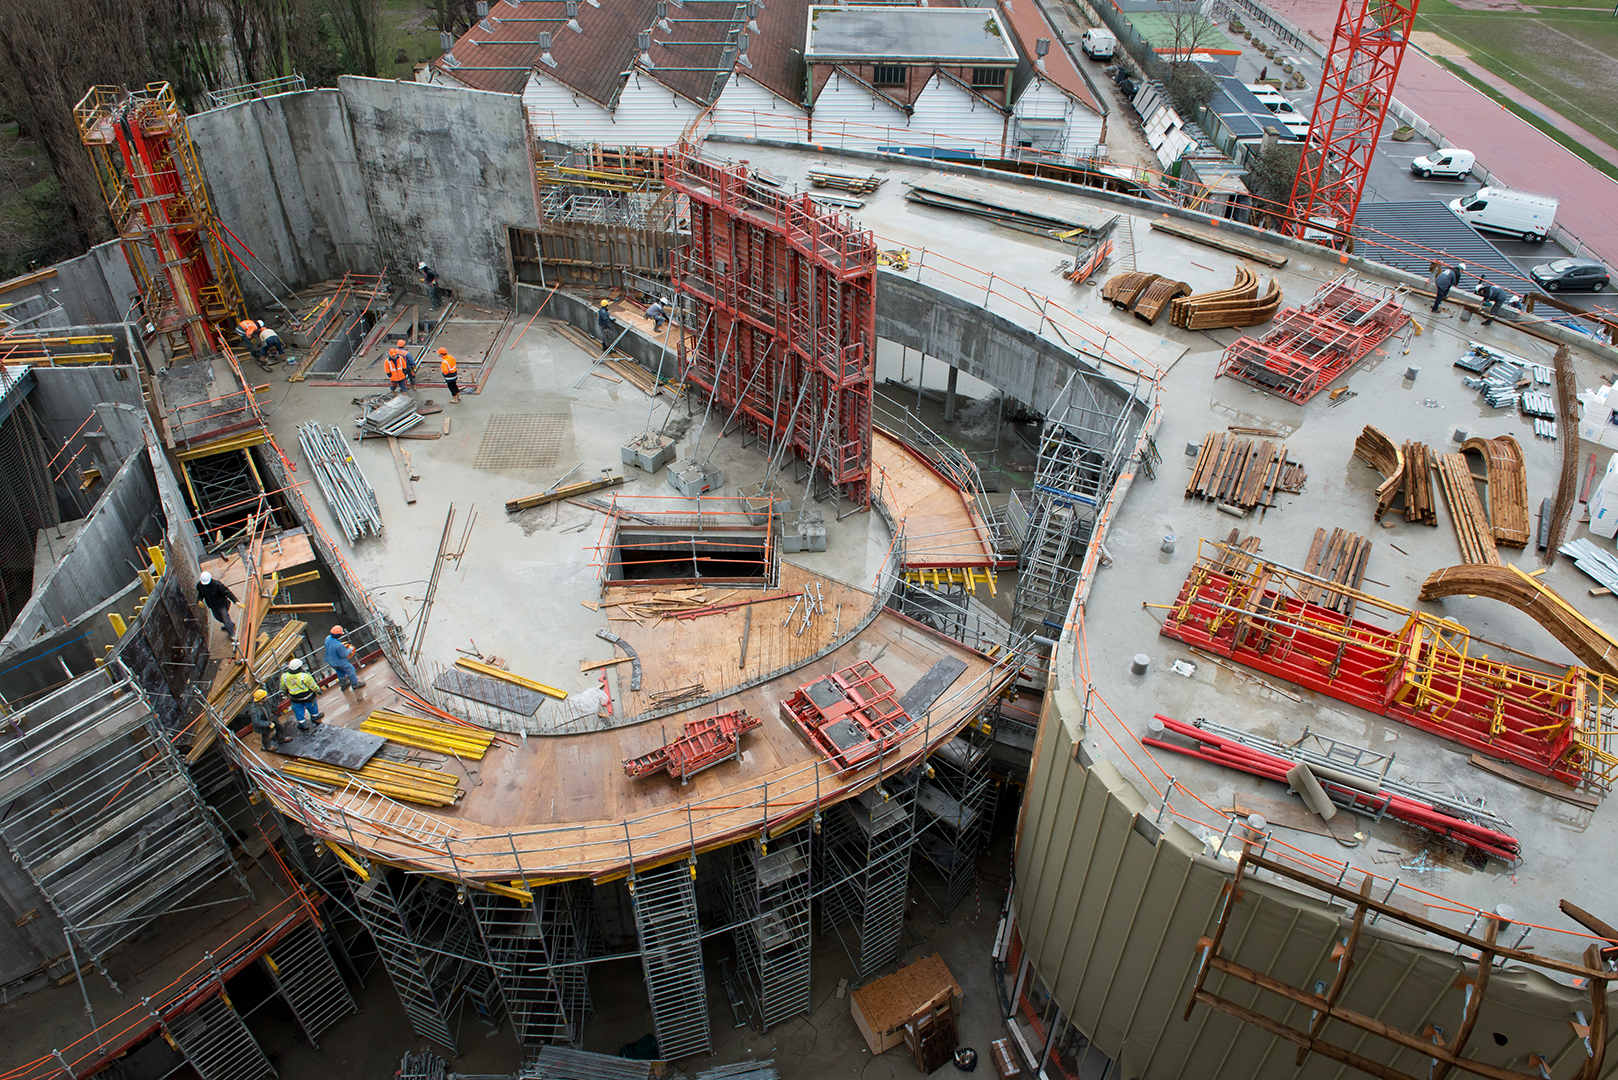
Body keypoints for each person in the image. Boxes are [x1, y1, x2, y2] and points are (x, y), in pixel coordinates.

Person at [280, 658, 324, 731]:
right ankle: (315, 716)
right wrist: (318, 691)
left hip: (295, 698)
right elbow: (312, 685)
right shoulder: (304, 675)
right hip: (308, 696)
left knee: (298, 711)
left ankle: (302, 724)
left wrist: (285, 693)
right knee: (312, 706)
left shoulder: (284, 676)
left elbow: (283, 687)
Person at [324, 625, 366, 690]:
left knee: (340, 672)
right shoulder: (338, 645)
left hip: (331, 661)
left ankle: (343, 685)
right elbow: (344, 654)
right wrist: (350, 649)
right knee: (351, 670)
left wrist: (342, 646)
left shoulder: (327, 638)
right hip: (340, 662)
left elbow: (330, 646)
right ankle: (355, 684)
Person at [196, 571, 237, 636]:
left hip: (221, 605)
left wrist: (236, 601)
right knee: (218, 617)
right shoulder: (200, 585)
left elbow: (228, 593)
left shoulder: (217, 585)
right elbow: (201, 593)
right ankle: (230, 624)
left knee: (225, 618)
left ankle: (231, 634)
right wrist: (199, 600)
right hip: (212, 605)